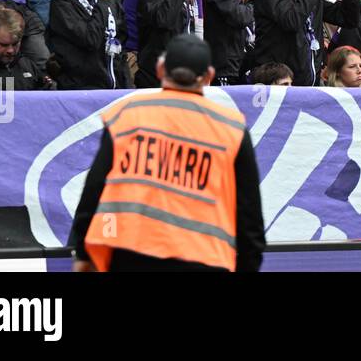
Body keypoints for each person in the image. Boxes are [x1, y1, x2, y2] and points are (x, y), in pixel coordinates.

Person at [70, 33, 266, 271]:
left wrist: (82, 251)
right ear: (208, 78)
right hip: (203, 257)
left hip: (131, 254)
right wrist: (249, 265)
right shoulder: (231, 128)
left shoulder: (128, 115)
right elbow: (249, 215)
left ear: (161, 69)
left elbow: (94, 188)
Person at [47, 0, 130, 90]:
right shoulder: (62, 3)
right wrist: (103, 0)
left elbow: (121, 40)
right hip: (82, 91)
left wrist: (126, 83)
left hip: (115, 88)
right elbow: (90, 39)